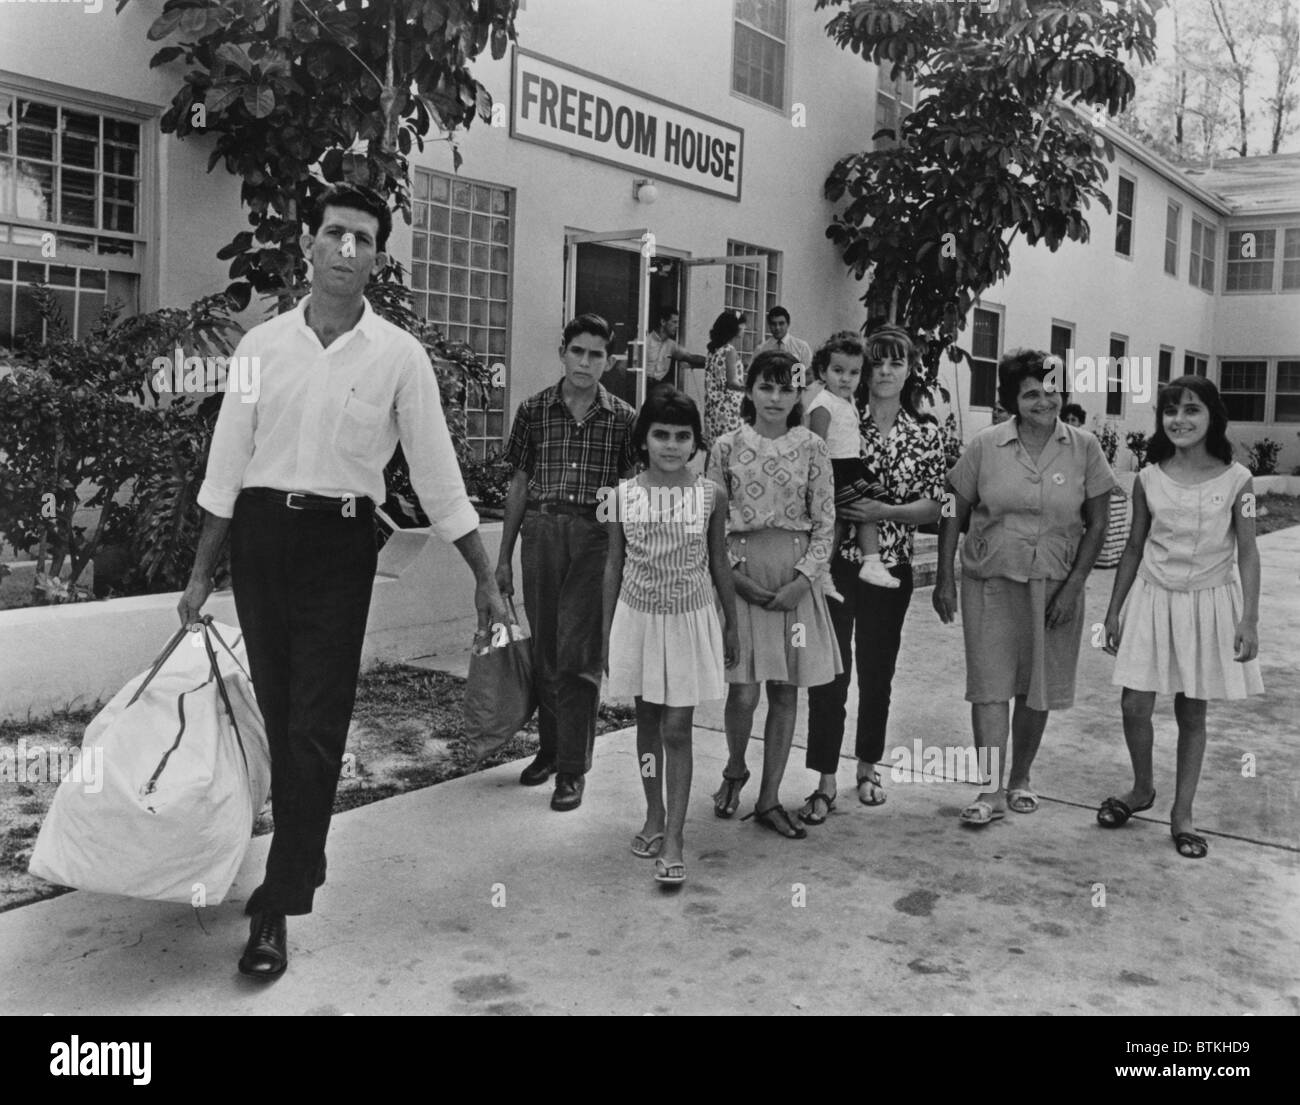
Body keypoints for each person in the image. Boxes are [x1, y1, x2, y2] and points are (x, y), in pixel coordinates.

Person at [178, 183, 508, 980]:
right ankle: (296, 860)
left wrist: (485, 579)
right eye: (334, 234)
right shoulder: (260, 349)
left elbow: (437, 476)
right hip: (261, 538)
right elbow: (227, 465)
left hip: (338, 547)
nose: (347, 250)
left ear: (379, 255)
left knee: (317, 726)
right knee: (284, 709)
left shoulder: (399, 356)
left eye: (363, 238)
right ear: (308, 244)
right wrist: (198, 574)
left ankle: (277, 902)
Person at [933, 348, 1116, 826]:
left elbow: (1098, 523)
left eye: (1051, 390)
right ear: (1013, 399)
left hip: (1056, 585)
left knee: (1037, 686)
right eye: (1031, 392)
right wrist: (944, 577)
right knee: (990, 684)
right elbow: (954, 507)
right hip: (990, 579)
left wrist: (1075, 586)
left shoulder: (1085, 448)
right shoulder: (985, 445)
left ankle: (1021, 778)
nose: (1044, 400)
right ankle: (991, 791)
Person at [1097, 376, 1262, 859]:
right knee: (1134, 706)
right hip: (1153, 599)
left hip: (1208, 603)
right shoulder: (1148, 477)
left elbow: (1248, 552)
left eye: (1191, 410)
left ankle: (1182, 813)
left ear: (1212, 416)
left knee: (1192, 711)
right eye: (1170, 411)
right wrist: (1113, 612)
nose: (1180, 420)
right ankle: (1142, 788)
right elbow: (1133, 545)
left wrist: (1248, 618)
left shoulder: (1239, 480)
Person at [802, 327, 946, 823]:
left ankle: (867, 767)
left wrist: (881, 510)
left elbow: (934, 505)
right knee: (830, 673)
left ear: (909, 370)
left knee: (877, 672)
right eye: (877, 362)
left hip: (893, 565)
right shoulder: (840, 412)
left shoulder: (925, 432)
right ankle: (823, 780)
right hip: (838, 563)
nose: (885, 372)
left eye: (895, 363)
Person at [496, 313, 638, 812]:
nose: (584, 362)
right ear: (562, 351)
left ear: (609, 361)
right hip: (542, 531)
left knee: (580, 655)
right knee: (548, 651)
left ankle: (574, 769)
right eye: (577, 351)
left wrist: (623, 557)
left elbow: (627, 492)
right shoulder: (534, 410)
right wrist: (504, 558)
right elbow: (517, 484)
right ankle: (550, 751)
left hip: (595, 536)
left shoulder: (623, 417)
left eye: (596, 354)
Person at [602, 388, 739, 885]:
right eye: (661, 434)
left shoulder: (711, 495)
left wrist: (731, 622)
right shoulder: (621, 495)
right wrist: (605, 638)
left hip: (689, 619)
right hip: (638, 620)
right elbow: (613, 567)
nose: (671, 445)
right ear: (643, 439)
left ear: (696, 443)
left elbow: (719, 561)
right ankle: (653, 813)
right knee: (647, 723)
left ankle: (676, 835)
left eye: (683, 436)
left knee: (677, 729)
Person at [706, 350, 841, 839]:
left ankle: (769, 798)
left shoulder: (812, 447)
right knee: (743, 690)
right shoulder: (724, 447)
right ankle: (736, 767)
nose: (775, 397)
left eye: (787, 388)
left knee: (786, 691)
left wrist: (803, 580)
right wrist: (733, 578)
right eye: (766, 386)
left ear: (799, 393)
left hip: (794, 577)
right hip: (740, 572)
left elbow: (826, 521)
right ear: (749, 390)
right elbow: (710, 520)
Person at [805, 333, 899, 593]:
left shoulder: (848, 401)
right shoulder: (823, 404)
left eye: (854, 373)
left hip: (851, 464)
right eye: (838, 371)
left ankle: (870, 561)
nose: (846, 379)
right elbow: (817, 443)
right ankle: (824, 570)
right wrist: (817, 482)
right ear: (822, 372)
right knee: (835, 521)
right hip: (833, 469)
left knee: (861, 511)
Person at [703, 310, 746, 445]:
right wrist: (750, 388)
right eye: (742, 325)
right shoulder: (729, 350)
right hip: (730, 408)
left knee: (713, 448)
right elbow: (732, 382)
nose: (744, 328)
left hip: (713, 407)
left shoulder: (713, 351)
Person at [645, 309, 705, 393]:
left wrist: (714, 360)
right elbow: (622, 367)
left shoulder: (671, 345)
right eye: (674, 322)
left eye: (677, 323)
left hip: (657, 389)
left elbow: (691, 357)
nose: (677, 326)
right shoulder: (645, 341)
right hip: (641, 386)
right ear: (663, 322)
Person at [755, 305, 814, 370]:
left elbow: (809, 373)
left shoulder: (801, 347)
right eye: (774, 324)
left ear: (788, 324)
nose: (777, 328)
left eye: (781, 323)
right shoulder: (761, 350)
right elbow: (753, 374)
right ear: (769, 325)